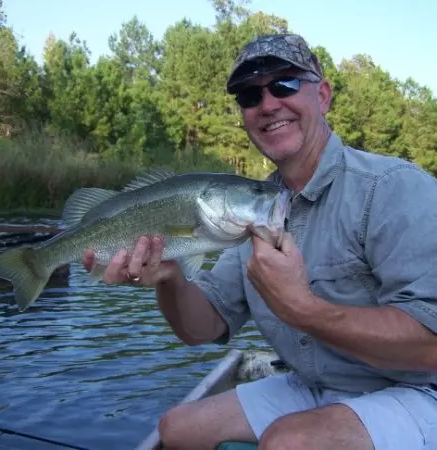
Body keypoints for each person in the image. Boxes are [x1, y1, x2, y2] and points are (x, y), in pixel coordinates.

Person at [83, 33, 437, 450]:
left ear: (323, 96)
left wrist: (302, 308)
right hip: (316, 384)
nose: (268, 104)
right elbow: (203, 327)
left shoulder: (394, 189)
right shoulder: (253, 210)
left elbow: (430, 349)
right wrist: (170, 279)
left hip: (419, 389)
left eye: (284, 84)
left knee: (289, 442)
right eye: (250, 95)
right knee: (177, 430)